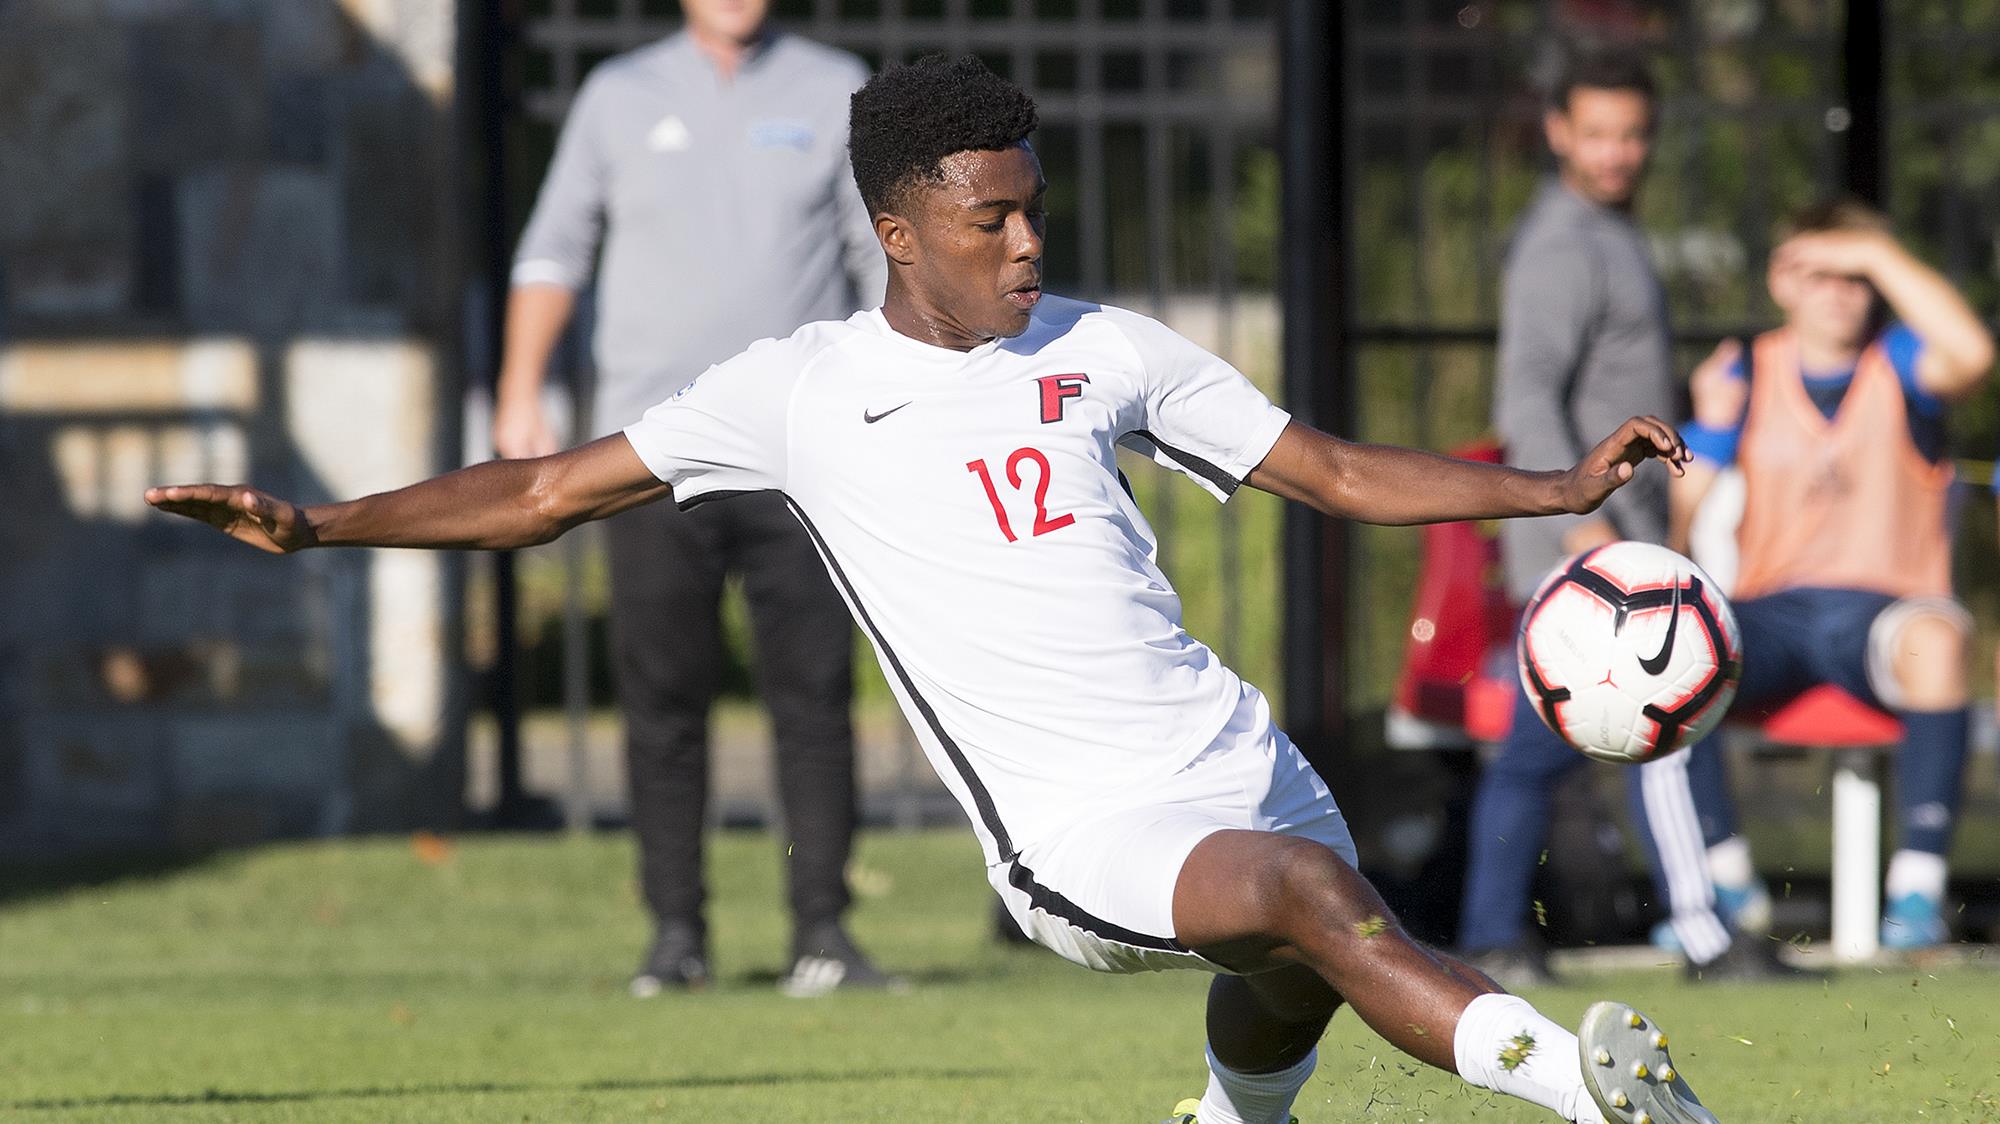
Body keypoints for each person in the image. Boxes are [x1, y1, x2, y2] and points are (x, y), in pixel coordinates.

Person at [150, 57, 1720, 1124]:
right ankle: (1588, 1092)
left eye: (1036, 208)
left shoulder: (1108, 345)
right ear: (901, 233)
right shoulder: (799, 391)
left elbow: (1334, 472)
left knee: (1302, 968)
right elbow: (546, 493)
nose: (1031, 241)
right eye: (995, 219)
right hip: (1079, 832)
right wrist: (320, 524)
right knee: (1316, 915)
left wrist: (1556, 490)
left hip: (1235, 759)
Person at [495, 0, 892, 997]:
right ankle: (676, 932)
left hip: (797, 448)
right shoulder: (616, 96)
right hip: (650, 448)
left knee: (810, 693)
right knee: (661, 697)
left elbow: (881, 258)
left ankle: (823, 933)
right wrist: (518, 386)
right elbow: (552, 251)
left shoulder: (835, 86)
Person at [1461, 51, 1777, 985]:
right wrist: (1581, 535)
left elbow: (1607, 386)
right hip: (1591, 558)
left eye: (1632, 134)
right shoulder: (1563, 244)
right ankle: (1708, 938)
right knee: (1662, 723)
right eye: (1596, 133)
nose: (1616, 153)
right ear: (1557, 131)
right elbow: (1529, 398)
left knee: (1535, 752)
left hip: (1611, 549)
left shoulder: (1611, 233)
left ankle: (1490, 939)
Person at [1672, 199, 1995, 950]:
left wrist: (1876, 253)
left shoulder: (1907, 362)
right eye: (1823, 274)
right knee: (1675, 654)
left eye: (1857, 277)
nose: (1841, 292)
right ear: (1783, 279)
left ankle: (1916, 894)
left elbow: (1974, 353)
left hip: (1886, 612)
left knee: (1939, 642)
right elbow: (1679, 527)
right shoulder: (1745, 371)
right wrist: (1706, 425)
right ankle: (1727, 888)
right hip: (1774, 613)